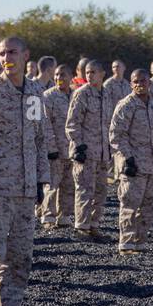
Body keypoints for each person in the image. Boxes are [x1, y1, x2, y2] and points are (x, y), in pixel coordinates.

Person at [0, 37, 50, 306]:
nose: (6, 57)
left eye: (12, 52)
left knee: (21, 255)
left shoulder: (36, 92)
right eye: (2, 53)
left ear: (26, 55)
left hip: (25, 189)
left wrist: (40, 179)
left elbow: (39, 138)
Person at [108, 68, 153, 254]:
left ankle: (139, 242)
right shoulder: (126, 105)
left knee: (149, 206)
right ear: (131, 84)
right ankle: (126, 243)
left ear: (149, 82)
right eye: (136, 82)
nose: (140, 85)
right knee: (130, 205)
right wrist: (127, 158)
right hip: (134, 165)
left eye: (143, 81)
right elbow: (116, 135)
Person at [66, 59, 114, 242]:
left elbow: (109, 123)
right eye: (87, 72)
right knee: (85, 190)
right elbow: (72, 123)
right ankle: (82, 228)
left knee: (100, 191)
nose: (90, 75)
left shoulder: (107, 94)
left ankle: (94, 226)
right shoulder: (81, 94)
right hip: (85, 152)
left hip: (102, 152)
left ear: (103, 74)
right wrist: (78, 145)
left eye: (94, 72)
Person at [41, 65, 75, 231]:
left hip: (72, 150)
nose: (59, 78)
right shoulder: (48, 96)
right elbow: (45, 124)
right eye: (56, 75)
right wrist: (50, 147)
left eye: (63, 74)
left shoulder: (76, 95)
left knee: (69, 184)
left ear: (71, 77)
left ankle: (64, 216)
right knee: (52, 184)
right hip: (55, 149)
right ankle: (48, 216)